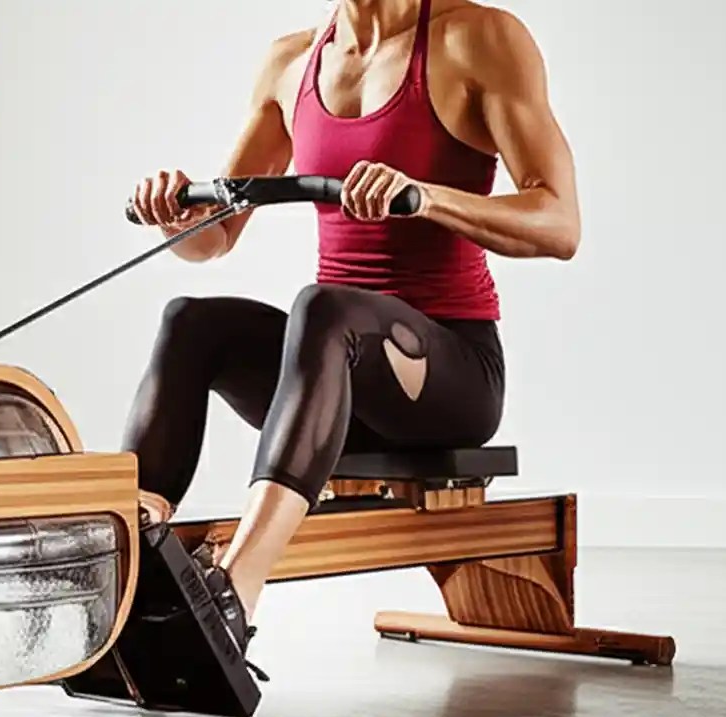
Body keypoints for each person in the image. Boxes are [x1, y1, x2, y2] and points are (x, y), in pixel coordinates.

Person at [124, 0, 580, 675]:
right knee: (190, 320)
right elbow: (215, 237)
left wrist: (428, 197)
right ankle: (127, 560)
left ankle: (234, 597)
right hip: (333, 386)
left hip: (449, 376)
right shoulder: (292, 62)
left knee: (325, 309)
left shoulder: (477, 38)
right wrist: (174, 214)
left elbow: (559, 223)